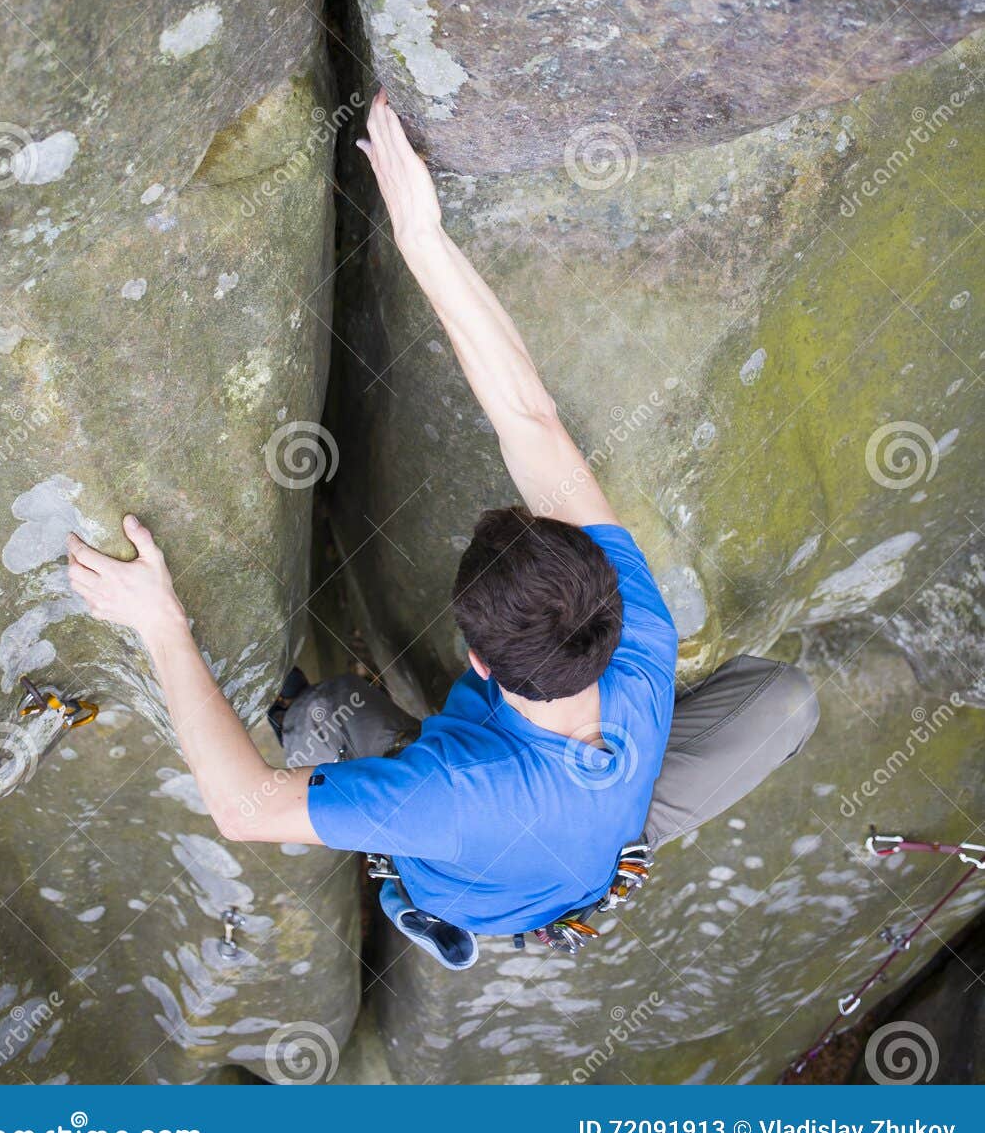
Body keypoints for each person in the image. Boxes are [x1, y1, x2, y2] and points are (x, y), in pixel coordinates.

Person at [67, 91, 818, 969]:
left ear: (479, 665)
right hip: (599, 828)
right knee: (784, 698)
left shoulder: (446, 793)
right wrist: (422, 237)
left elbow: (245, 811)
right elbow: (528, 417)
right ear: (604, 596)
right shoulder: (641, 626)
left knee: (329, 713)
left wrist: (160, 622)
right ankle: (600, 827)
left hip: (478, 856)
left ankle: (368, 784)